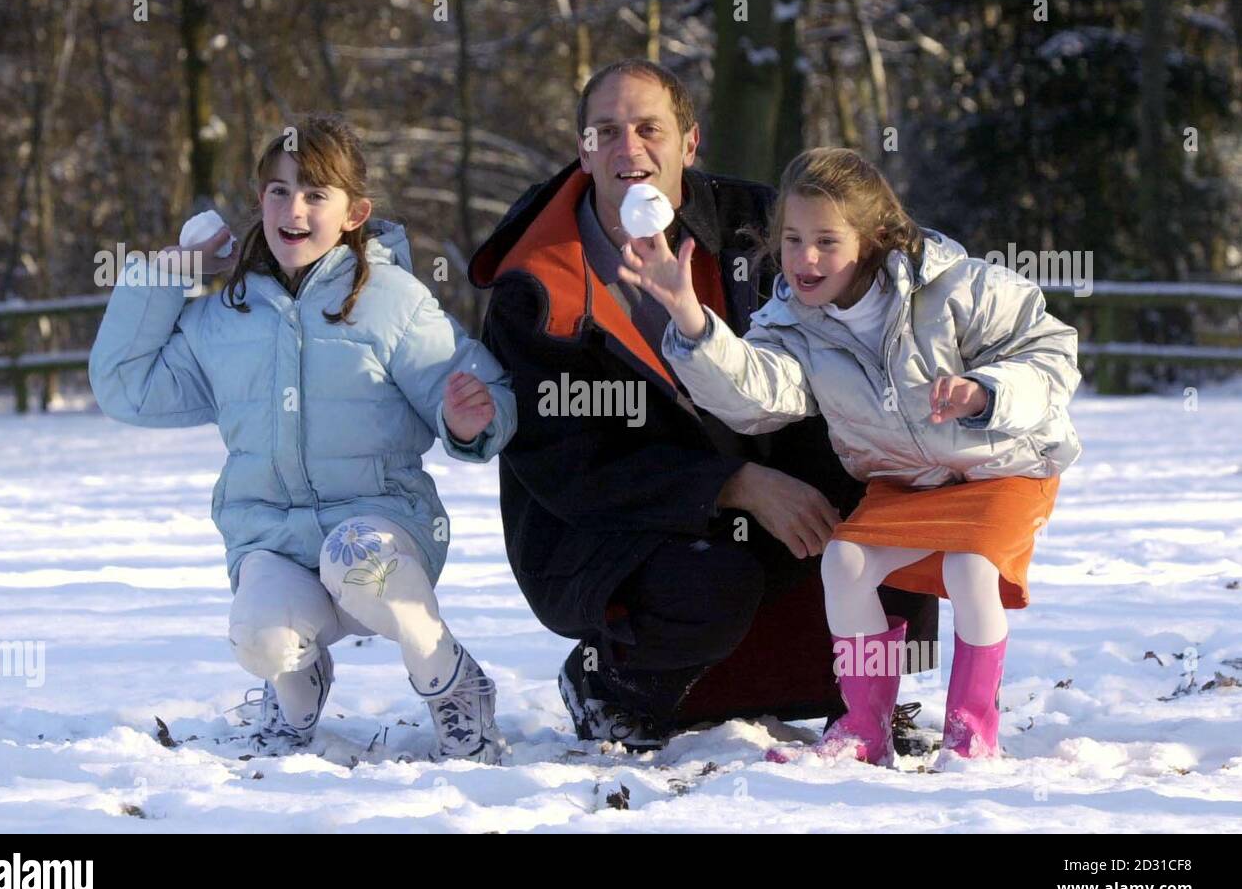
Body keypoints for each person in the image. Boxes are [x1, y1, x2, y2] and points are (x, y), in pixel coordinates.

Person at [470, 60, 938, 751]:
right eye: (607, 130)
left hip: (760, 476)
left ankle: (869, 694)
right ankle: (614, 687)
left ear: (689, 143)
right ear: (584, 150)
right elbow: (569, 466)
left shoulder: (758, 228)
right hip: (599, 530)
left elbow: (868, 299)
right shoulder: (536, 288)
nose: (628, 147)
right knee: (711, 579)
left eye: (648, 128)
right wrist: (734, 486)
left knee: (901, 492)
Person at [621, 146, 1082, 766]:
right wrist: (691, 320)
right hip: (907, 481)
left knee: (969, 570)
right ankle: (867, 724)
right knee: (845, 563)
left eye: (825, 241)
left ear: (873, 239)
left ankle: (972, 733)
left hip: (1002, 466)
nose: (805, 259)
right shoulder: (792, 321)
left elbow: (1051, 353)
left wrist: (986, 392)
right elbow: (758, 396)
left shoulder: (959, 287)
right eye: (791, 239)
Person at [89, 115, 516, 763]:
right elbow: (125, 385)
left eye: (317, 193)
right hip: (274, 539)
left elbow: (482, 393)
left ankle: (453, 681)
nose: (294, 208)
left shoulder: (391, 300)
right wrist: (174, 268)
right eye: (279, 191)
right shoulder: (223, 317)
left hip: (381, 529)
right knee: (259, 636)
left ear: (355, 212)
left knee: (359, 559)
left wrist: (469, 419)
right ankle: (297, 687)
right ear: (260, 202)